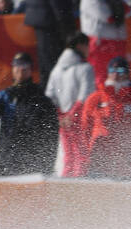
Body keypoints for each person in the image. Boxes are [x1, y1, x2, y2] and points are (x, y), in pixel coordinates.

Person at [0, 52, 60, 175]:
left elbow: (51, 135)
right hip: (8, 162)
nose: (21, 69)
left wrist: (48, 164)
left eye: (25, 65)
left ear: (30, 69)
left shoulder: (41, 99)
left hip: (34, 164)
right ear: (12, 68)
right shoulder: (6, 96)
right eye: (17, 65)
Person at [79, 55, 131, 179]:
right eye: (112, 71)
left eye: (120, 71)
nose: (115, 74)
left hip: (125, 162)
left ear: (127, 74)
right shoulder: (95, 98)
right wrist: (89, 152)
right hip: (98, 159)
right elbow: (85, 128)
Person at [46, 32, 96, 177]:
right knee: (82, 156)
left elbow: (50, 97)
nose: (89, 50)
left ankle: (65, 190)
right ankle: (81, 191)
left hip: (63, 121)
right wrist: (72, 115)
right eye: (88, 46)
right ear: (80, 46)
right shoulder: (86, 68)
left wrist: (61, 117)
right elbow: (86, 96)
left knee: (68, 157)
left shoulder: (55, 70)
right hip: (81, 120)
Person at [81, 0, 131, 89]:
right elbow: (107, 16)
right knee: (101, 77)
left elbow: (130, 10)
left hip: (118, 41)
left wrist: (123, 8)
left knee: (121, 74)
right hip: (100, 42)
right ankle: (102, 100)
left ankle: (124, 100)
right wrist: (121, 8)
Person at [23, 0, 75, 79]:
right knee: (52, 63)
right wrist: (67, 28)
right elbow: (59, 5)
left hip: (42, 17)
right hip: (50, 20)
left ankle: (47, 88)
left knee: (45, 63)